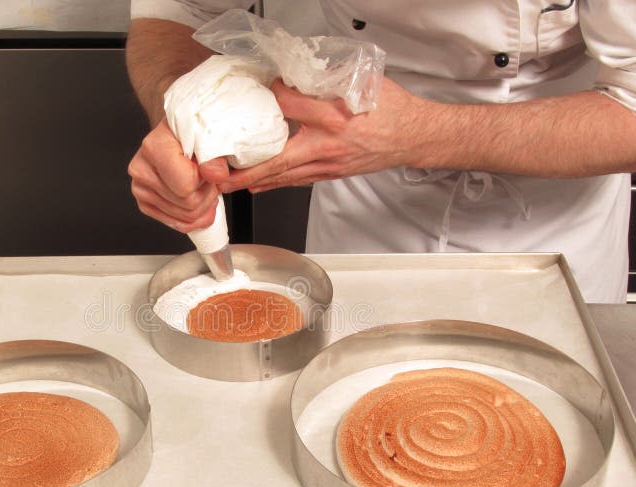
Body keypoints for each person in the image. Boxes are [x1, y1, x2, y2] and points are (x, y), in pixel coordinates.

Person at [126, 1, 636, 303]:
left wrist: (421, 134)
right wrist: (185, 108)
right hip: (361, 212)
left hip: (549, 233)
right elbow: (180, 13)